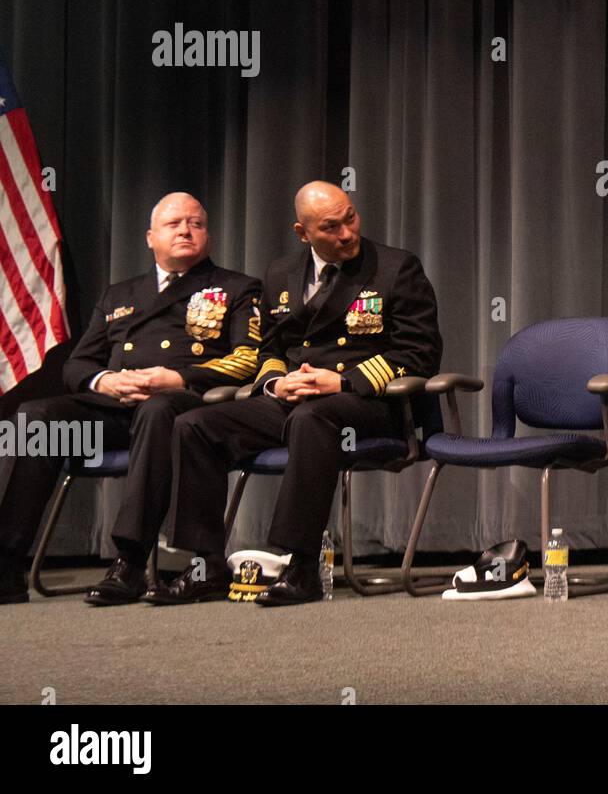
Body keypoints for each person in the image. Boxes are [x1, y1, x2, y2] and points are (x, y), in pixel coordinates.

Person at [152, 182, 441, 606]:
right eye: (330, 227)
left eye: (350, 218)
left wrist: (340, 381)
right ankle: (206, 566)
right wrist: (274, 383)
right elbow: (270, 348)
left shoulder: (395, 268)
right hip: (294, 397)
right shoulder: (280, 274)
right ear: (303, 233)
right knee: (194, 424)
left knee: (313, 418)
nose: (347, 233)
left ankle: (301, 565)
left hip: (370, 403)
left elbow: (422, 353)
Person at [0, 193, 260, 605]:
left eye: (195, 223)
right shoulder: (120, 294)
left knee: (158, 410)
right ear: (150, 237)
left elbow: (249, 359)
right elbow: (77, 364)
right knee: (35, 417)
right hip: (113, 416)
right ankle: (6, 564)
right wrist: (104, 382)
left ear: (207, 234)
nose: (185, 230)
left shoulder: (236, 288)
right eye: (174, 224)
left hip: (185, 408)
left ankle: (130, 562)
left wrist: (177, 377)